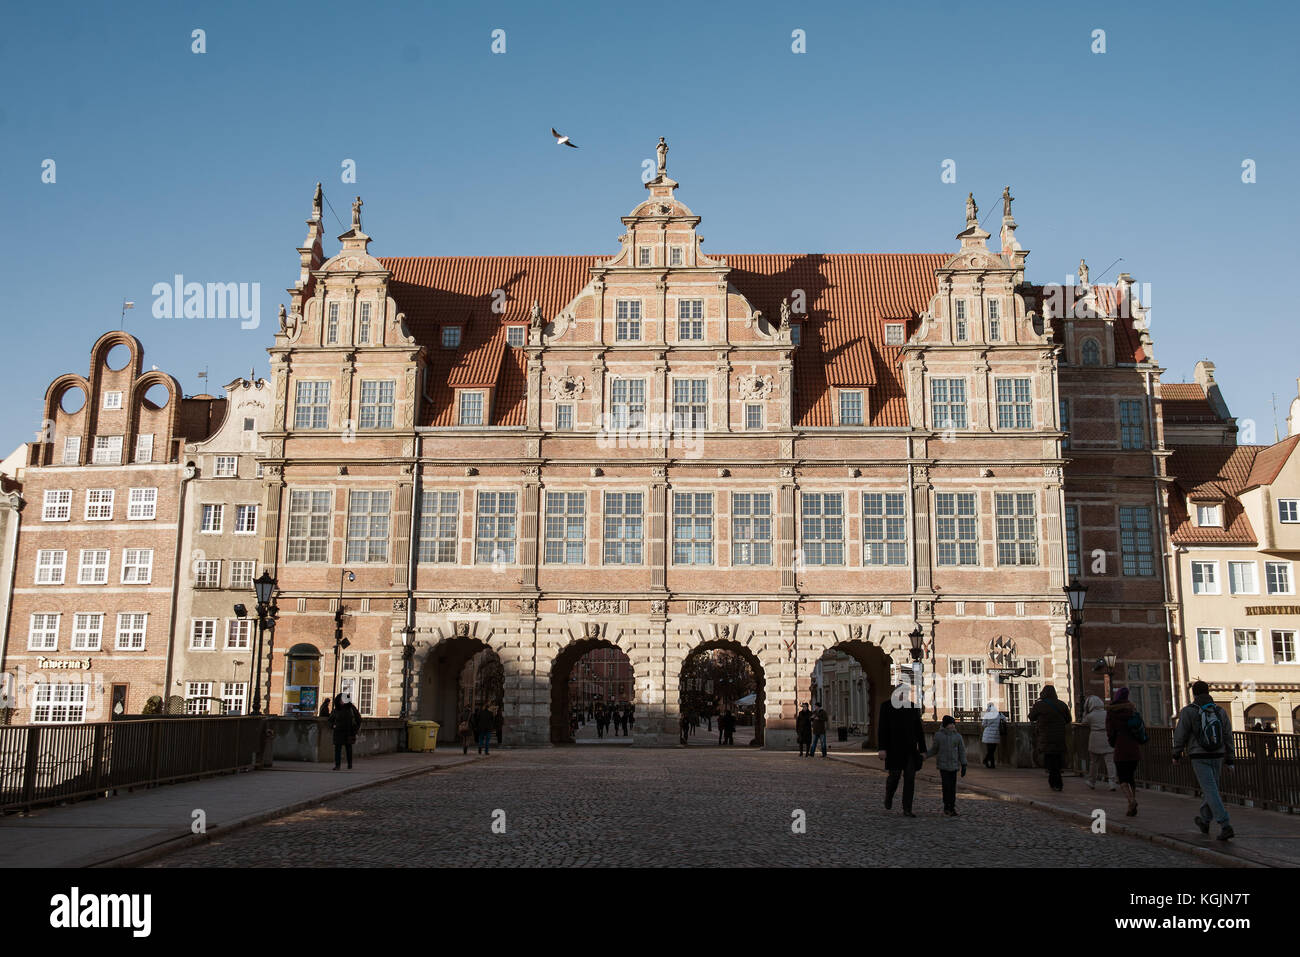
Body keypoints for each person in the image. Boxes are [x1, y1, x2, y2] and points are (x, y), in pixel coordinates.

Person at [1172, 680, 1236, 841]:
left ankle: (1225, 824)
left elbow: (1181, 734)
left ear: (1194, 694)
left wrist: (1176, 753)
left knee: (1210, 790)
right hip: (1218, 754)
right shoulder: (1219, 711)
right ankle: (1205, 821)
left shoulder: (1189, 711)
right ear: (1208, 692)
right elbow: (1228, 735)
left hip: (1199, 755)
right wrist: (1230, 759)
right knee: (1211, 788)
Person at [878, 684, 927, 817]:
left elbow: (919, 730)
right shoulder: (886, 706)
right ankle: (889, 795)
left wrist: (923, 749)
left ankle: (907, 808)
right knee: (894, 777)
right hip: (893, 750)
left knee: (910, 778)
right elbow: (882, 729)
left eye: (905, 693)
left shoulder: (912, 707)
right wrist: (881, 748)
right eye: (901, 693)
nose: (903, 696)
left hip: (910, 750)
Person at [1105, 687, 1144, 816]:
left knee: (1122, 778)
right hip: (1134, 748)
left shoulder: (1112, 712)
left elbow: (1110, 732)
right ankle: (1131, 804)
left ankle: (1131, 801)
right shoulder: (1132, 710)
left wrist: (1112, 742)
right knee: (1131, 777)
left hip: (1121, 748)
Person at [1028, 684, 1072, 791]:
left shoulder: (1040, 705)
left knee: (1050, 760)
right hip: (1059, 737)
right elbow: (1068, 719)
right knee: (1057, 759)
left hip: (1046, 736)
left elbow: (1031, 717)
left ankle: (1054, 783)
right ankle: (1058, 782)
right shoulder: (1062, 704)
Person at [926, 715, 968, 816]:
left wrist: (964, 764)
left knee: (952, 788)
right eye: (950, 724)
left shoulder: (957, 736)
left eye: (953, 724)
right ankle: (946, 806)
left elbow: (962, 751)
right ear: (945, 725)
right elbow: (934, 749)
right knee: (946, 786)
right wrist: (924, 756)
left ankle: (952, 807)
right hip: (943, 765)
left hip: (954, 765)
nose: (952, 726)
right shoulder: (939, 735)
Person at [1082, 694, 1117, 791]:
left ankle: (1092, 781)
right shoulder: (1107, 714)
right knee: (1110, 762)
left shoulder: (1090, 716)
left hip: (1094, 738)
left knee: (1094, 762)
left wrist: (1085, 712)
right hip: (1106, 737)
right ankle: (1112, 782)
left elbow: (1083, 722)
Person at [328, 693, 362, 770]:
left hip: (349, 731)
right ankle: (337, 765)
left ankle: (349, 764)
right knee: (338, 749)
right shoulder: (337, 709)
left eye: (343, 700)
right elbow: (330, 720)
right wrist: (333, 726)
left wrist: (355, 729)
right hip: (338, 732)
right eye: (340, 700)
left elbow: (359, 719)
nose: (341, 702)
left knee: (348, 749)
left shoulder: (351, 708)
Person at [980, 701, 1004, 768]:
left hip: (987, 734)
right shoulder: (998, 714)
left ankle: (986, 760)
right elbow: (1004, 719)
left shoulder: (987, 714)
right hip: (996, 733)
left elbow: (983, 724)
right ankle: (991, 764)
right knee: (992, 750)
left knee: (989, 750)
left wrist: (988, 725)